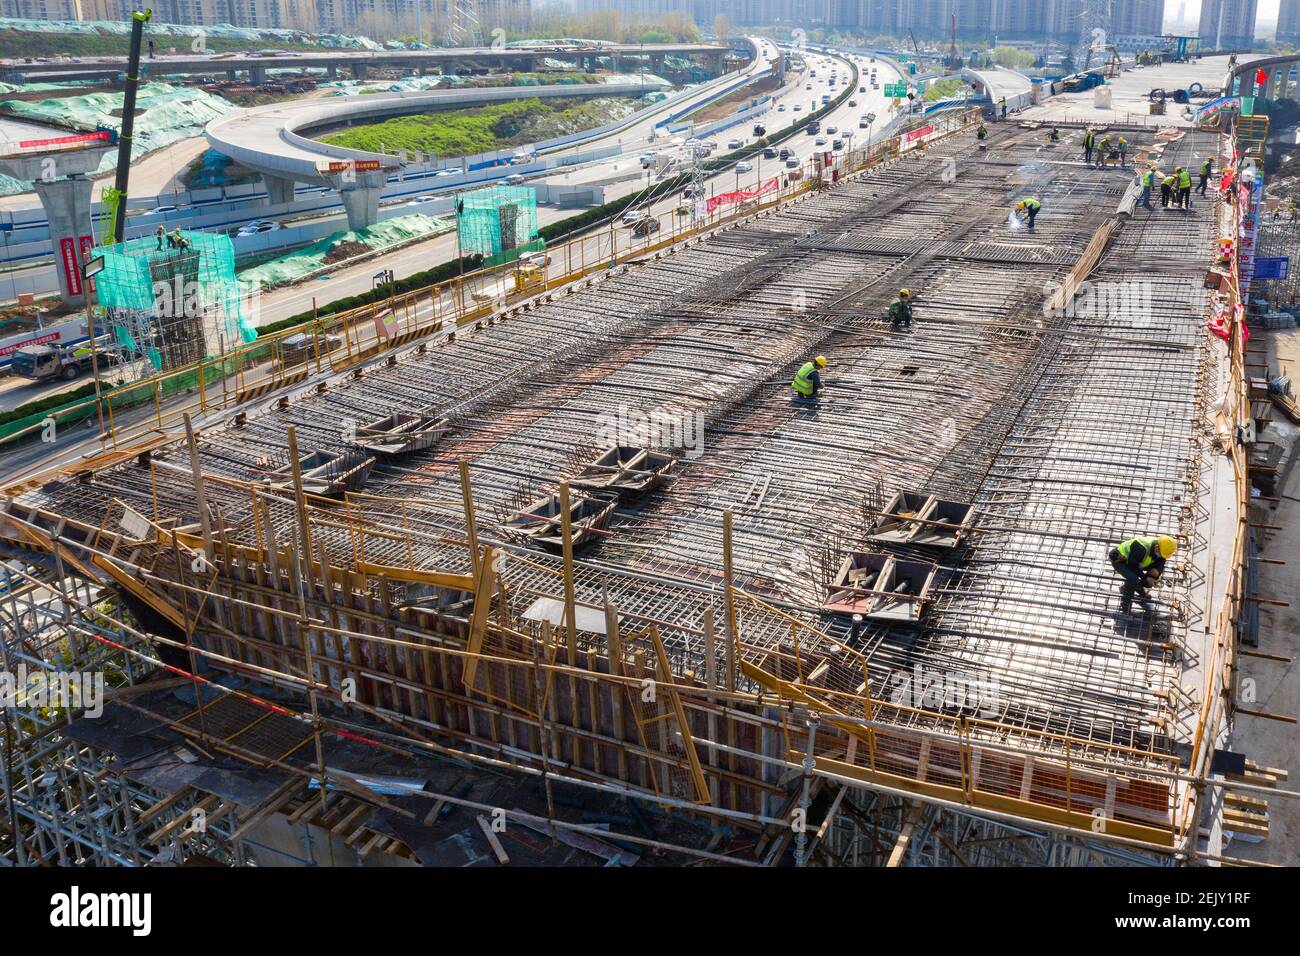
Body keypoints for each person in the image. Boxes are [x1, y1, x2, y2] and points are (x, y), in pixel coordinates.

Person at [1109, 535, 1177, 605]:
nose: (1161, 556)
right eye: (1161, 554)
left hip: (1139, 562)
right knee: (1133, 578)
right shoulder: (1141, 547)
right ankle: (1126, 600)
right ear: (1156, 548)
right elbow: (1132, 567)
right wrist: (1146, 578)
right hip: (1120, 560)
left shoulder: (1161, 547)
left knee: (1153, 576)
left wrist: (1157, 570)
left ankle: (1136, 588)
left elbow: (1162, 559)